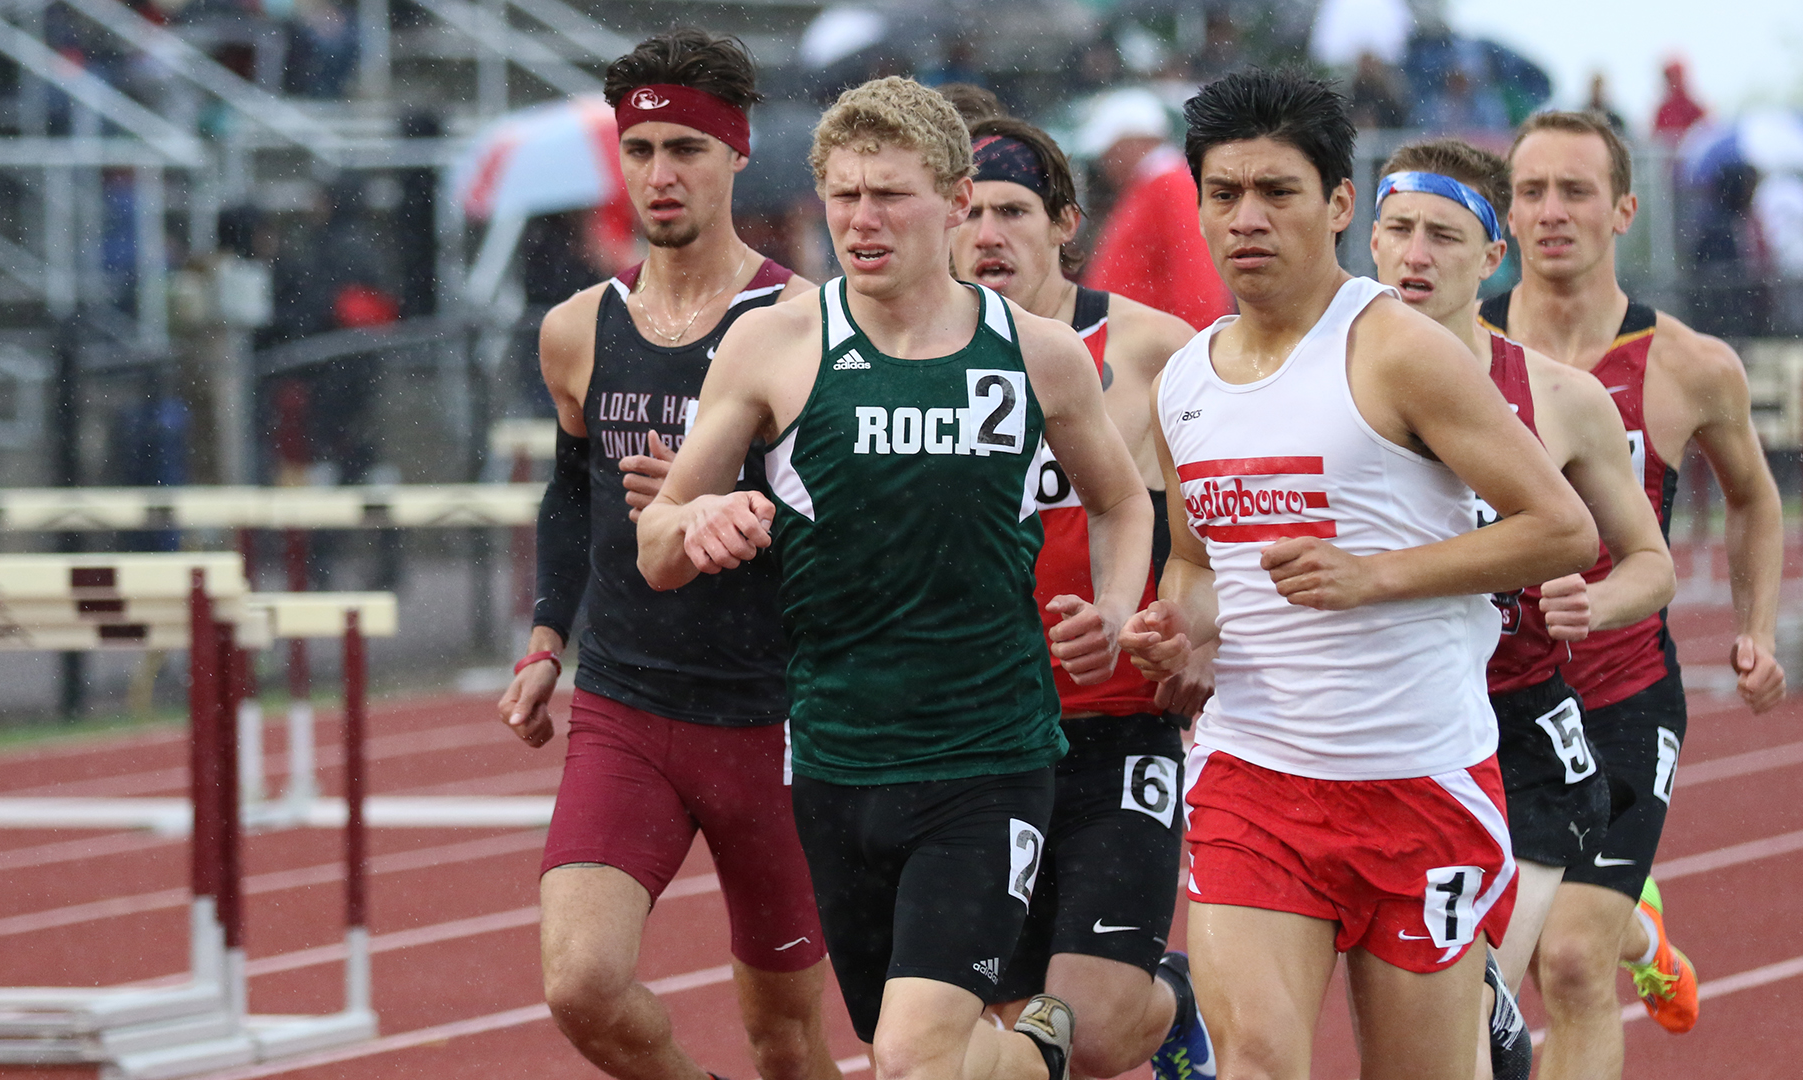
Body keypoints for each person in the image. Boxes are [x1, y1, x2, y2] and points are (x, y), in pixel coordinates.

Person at [636, 76, 1158, 1080]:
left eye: (891, 196)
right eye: (842, 196)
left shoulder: (1039, 356)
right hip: (838, 759)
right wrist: (696, 516)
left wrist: (1116, 608)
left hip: (990, 753)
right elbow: (657, 549)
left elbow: (1122, 501)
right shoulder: (773, 343)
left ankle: (1035, 1043)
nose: (861, 221)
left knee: (914, 1059)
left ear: (956, 201)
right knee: (917, 1049)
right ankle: (1038, 1049)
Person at [1120, 69, 1599, 1080]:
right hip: (1254, 779)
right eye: (1223, 194)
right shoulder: (1186, 381)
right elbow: (1198, 568)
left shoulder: (1397, 351)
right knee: (1253, 1058)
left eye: (1278, 192)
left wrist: (1375, 577)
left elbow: (1561, 529)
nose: (1247, 218)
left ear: (1340, 203)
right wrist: (1180, 633)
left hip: (1418, 783)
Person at [495, 28, 839, 1080]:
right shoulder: (577, 327)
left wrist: (724, 506)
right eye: (639, 153)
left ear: (736, 157)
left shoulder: (800, 324)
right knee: (582, 987)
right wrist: (549, 633)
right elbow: (573, 489)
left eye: (685, 150)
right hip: (629, 708)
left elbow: (848, 513)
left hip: (772, 717)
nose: (660, 175)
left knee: (785, 1041)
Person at [1482, 108, 1786, 1079]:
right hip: (1490, 702)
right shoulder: (1450, 356)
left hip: (1620, 700)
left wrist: (1754, 630)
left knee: (1568, 962)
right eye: (1531, 192)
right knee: (1484, 973)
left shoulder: (1689, 365)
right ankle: (1644, 937)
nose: (1551, 212)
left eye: (1575, 191)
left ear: (1624, 209)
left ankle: (1618, 932)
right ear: (1507, 214)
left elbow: (1753, 499)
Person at [1369, 138, 1678, 1080]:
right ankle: (1631, 937)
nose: (1416, 256)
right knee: (1420, 1014)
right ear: (1369, 239)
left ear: (1491, 255)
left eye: (1445, 236)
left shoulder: (1559, 398)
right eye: (1398, 231)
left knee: (1484, 994)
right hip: (1393, 726)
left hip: (1526, 736)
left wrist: (1597, 602)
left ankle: (1611, 935)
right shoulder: (1323, 380)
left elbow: (1651, 565)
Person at [949, 113, 1213, 1080]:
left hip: (1114, 728)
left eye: (1012, 210)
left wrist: (1200, 639)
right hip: (973, 735)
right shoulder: (906, 360)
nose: (987, 235)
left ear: (1064, 221)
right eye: (967, 212)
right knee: (1013, 1024)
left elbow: (1215, 534)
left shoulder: (1150, 349)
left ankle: (1172, 999)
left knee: (1090, 1032)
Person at [1078, 90, 1236, 331]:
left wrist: (1196, 347)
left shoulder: (1172, 186)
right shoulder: (1151, 187)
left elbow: (1198, 277)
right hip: (1138, 349)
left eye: (1111, 151)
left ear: (1135, 142)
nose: (1105, 163)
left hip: (1153, 354)